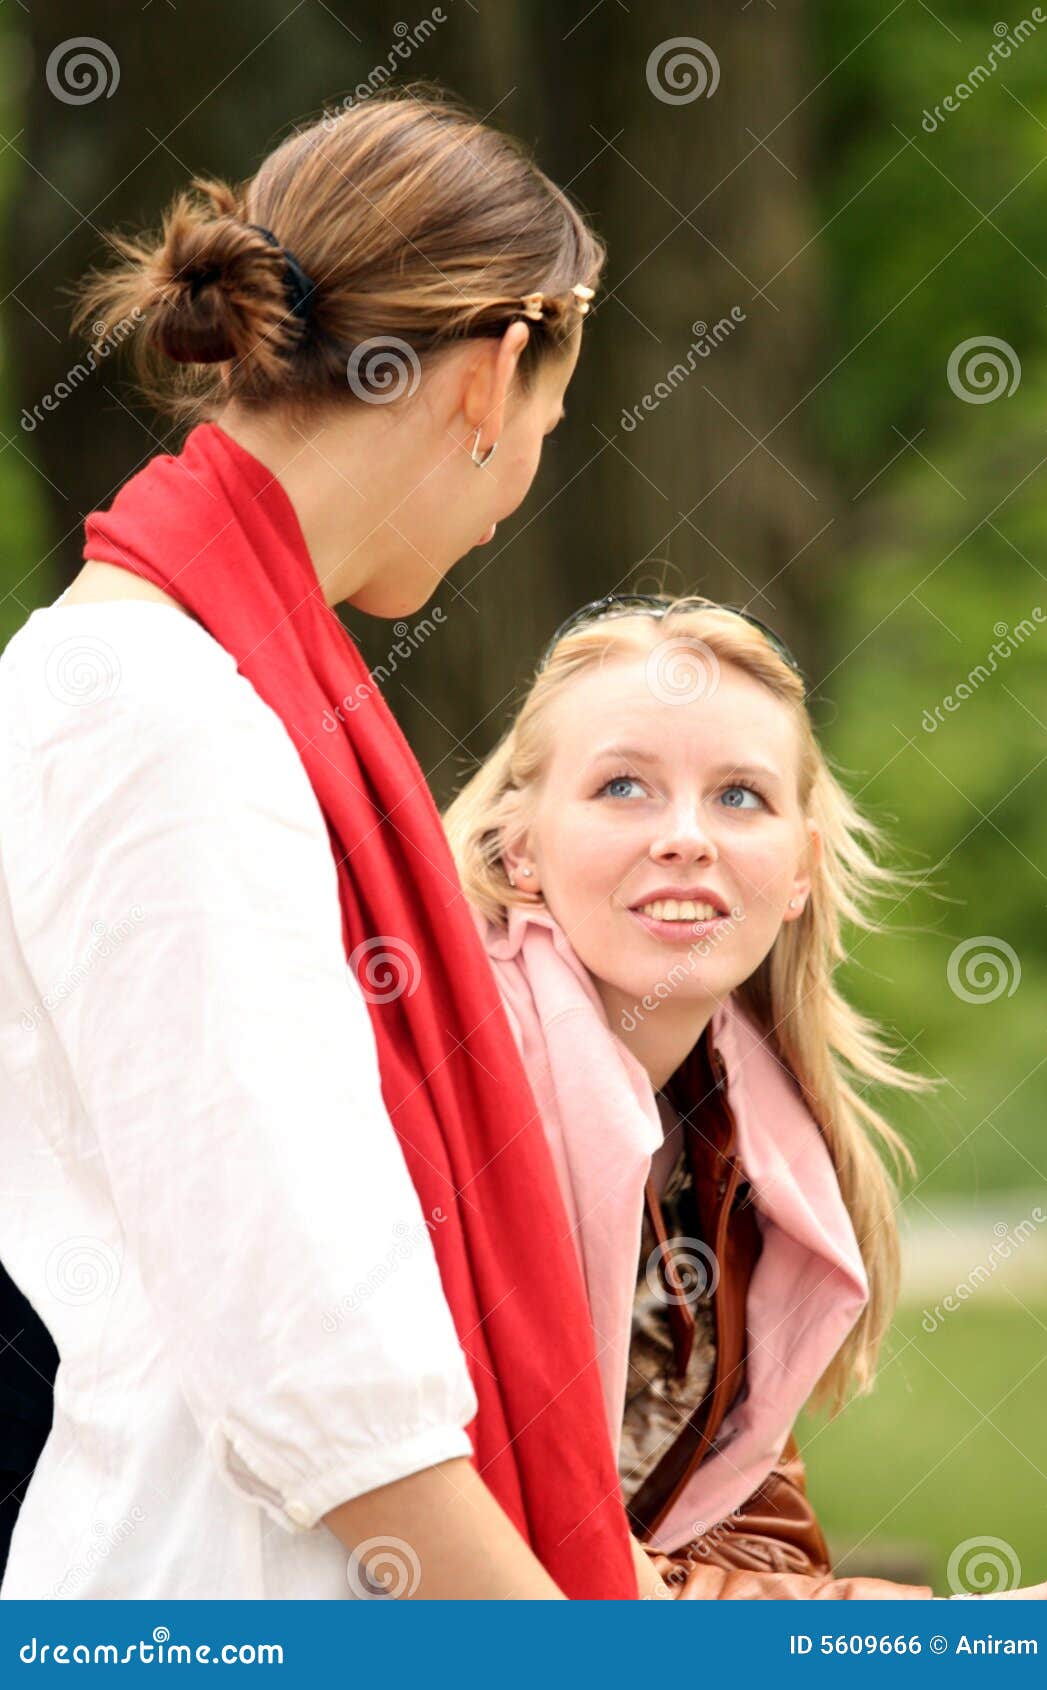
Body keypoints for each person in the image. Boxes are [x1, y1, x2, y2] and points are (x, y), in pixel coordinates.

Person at [0, 90, 639, 1601]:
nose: (538, 447)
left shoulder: (156, 677)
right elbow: (302, 1334)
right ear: (491, 379)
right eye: (558, 404)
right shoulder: (161, 713)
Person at [444, 592, 1047, 1601]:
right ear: (520, 848)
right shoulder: (455, 1091)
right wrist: (968, 1641)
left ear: (798, 872)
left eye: (738, 796)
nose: (686, 836)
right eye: (621, 786)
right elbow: (521, 1560)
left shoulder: (733, 1135)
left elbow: (738, 1532)